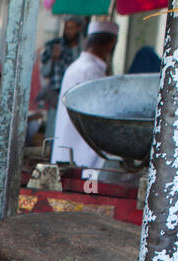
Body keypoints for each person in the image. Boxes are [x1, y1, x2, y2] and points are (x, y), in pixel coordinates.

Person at [50, 20, 118, 173]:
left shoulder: (78, 67)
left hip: (69, 153)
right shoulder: (91, 71)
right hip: (82, 158)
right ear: (110, 45)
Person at [38, 17, 84, 140]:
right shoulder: (54, 46)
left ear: (79, 29)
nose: (67, 31)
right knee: (53, 131)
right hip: (57, 96)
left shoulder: (83, 50)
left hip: (77, 97)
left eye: (71, 28)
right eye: (66, 28)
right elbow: (44, 72)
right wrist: (53, 58)